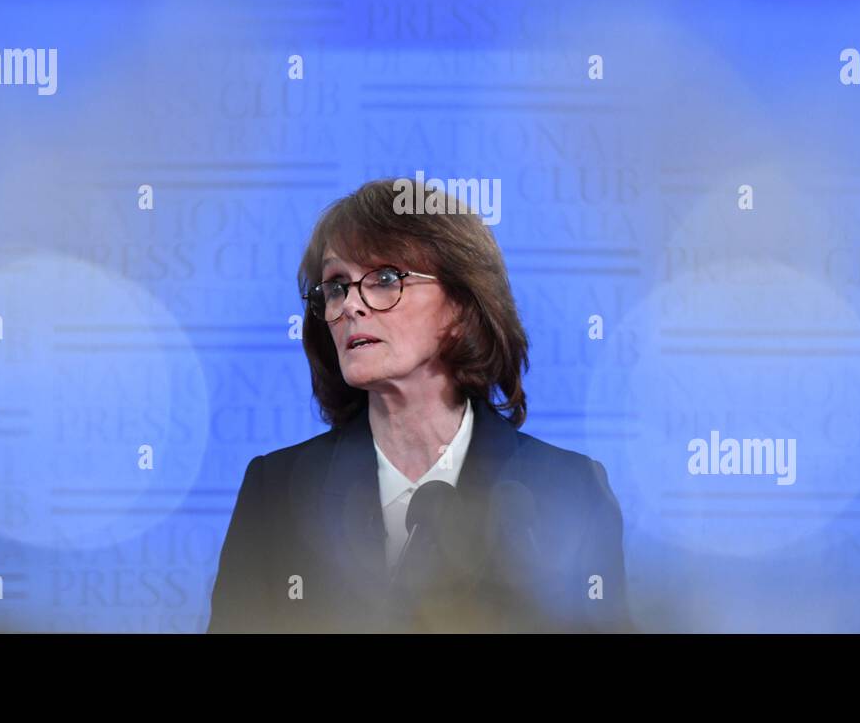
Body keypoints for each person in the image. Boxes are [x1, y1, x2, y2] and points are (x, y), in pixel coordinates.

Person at [206, 177, 635, 633]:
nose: (351, 305)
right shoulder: (276, 494)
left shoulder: (570, 490)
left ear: (461, 306)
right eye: (335, 287)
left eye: (385, 279)